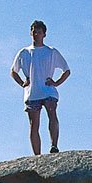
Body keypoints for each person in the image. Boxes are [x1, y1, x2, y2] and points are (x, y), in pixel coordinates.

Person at [10, 21, 70, 155]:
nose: (36, 34)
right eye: (34, 31)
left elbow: (66, 70)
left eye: (39, 31)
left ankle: (54, 146)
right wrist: (21, 83)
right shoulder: (24, 53)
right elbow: (13, 71)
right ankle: (37, 155)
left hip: (48, 90)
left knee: (52, 113)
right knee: (34, 123)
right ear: (31, 32)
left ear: (44, 34)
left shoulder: (51, 52)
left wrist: (56, 83)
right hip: (32, 92)